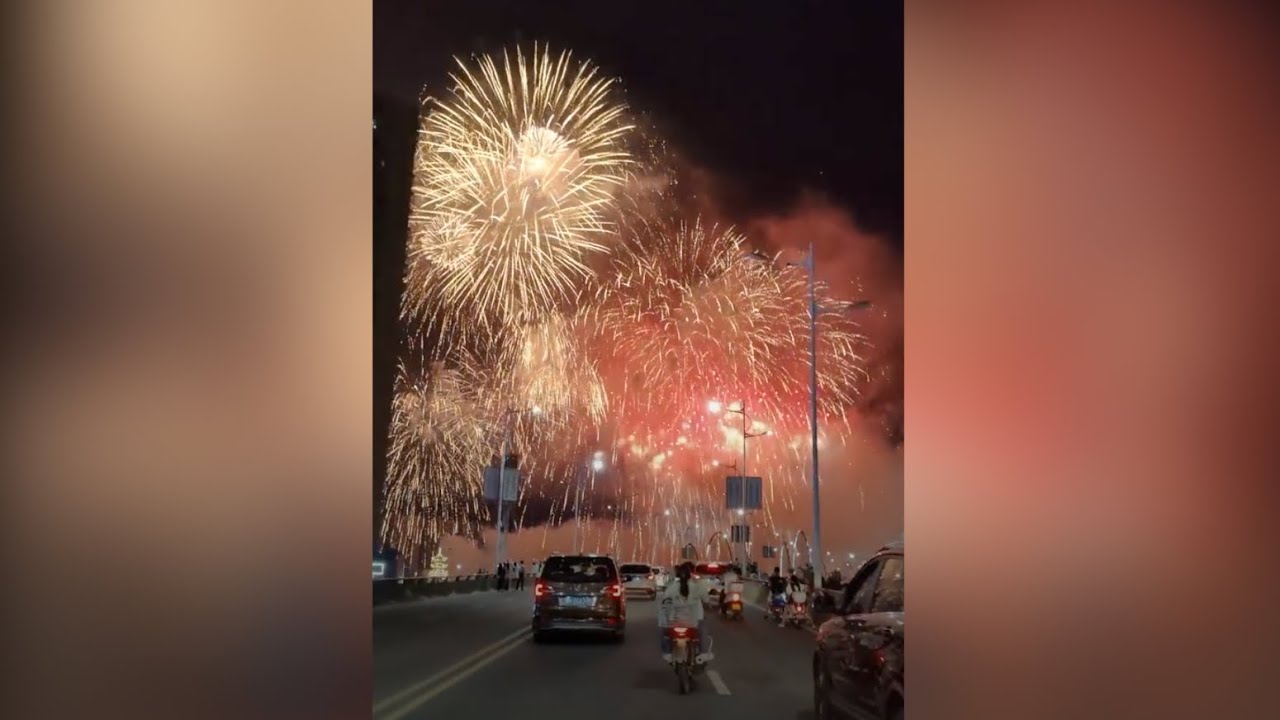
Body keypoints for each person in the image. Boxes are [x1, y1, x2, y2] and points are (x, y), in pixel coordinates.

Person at [658, 561, 710, 664]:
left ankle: (667, 652)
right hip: (693, 621)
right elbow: (706, 599)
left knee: (664, 632)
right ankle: (703, 652)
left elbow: (664, 602)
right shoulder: (697, 586)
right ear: (691, 574)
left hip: (674, 621)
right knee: (702, 630)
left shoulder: (671, 587)